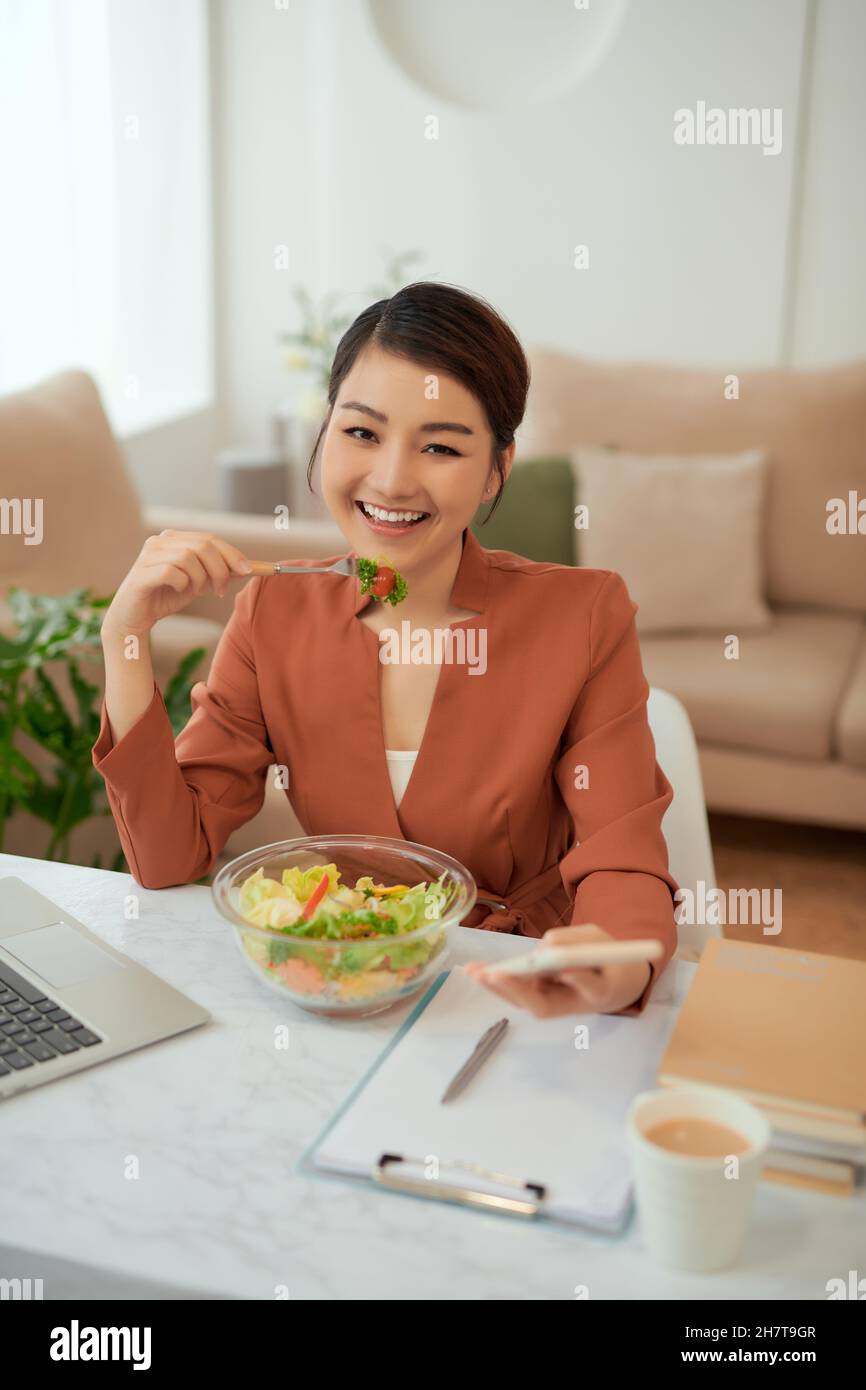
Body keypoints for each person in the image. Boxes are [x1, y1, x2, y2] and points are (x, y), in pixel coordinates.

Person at [92, 281, 679, 1018]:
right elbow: (167, 854)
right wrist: (126, 639)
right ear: (324, 434)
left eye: (440, 446)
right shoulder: (273, 613)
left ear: (499, 466)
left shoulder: (584, 616)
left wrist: (613, 971)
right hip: (350, 986)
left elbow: (621, 859)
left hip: (527, 992)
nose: (393, 479)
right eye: (362, 433)